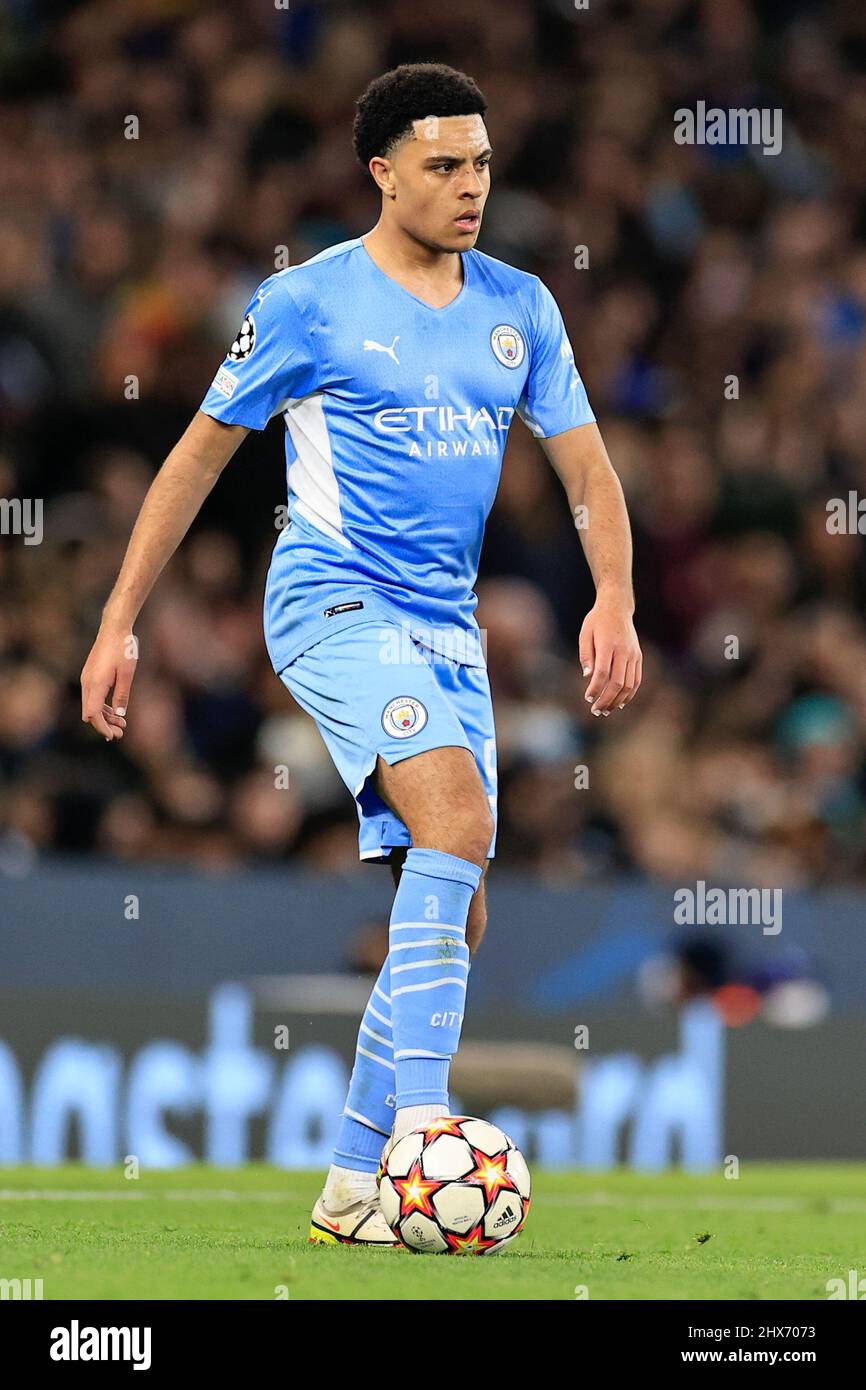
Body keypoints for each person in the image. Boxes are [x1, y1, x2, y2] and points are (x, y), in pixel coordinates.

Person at [80, 62, 642, 1246]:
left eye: (481, 162)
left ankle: (347, 1179)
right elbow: (194, 459)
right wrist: (119, 618)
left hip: (447, 627)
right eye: (443, 165)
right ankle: (423, 1135)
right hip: (331, 597)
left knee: (457, 907)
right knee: (457, 826)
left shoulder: (520, 307)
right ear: (380, 174)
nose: (470, 184)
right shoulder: (306, 303)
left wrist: (613, 598)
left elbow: (586, 469)